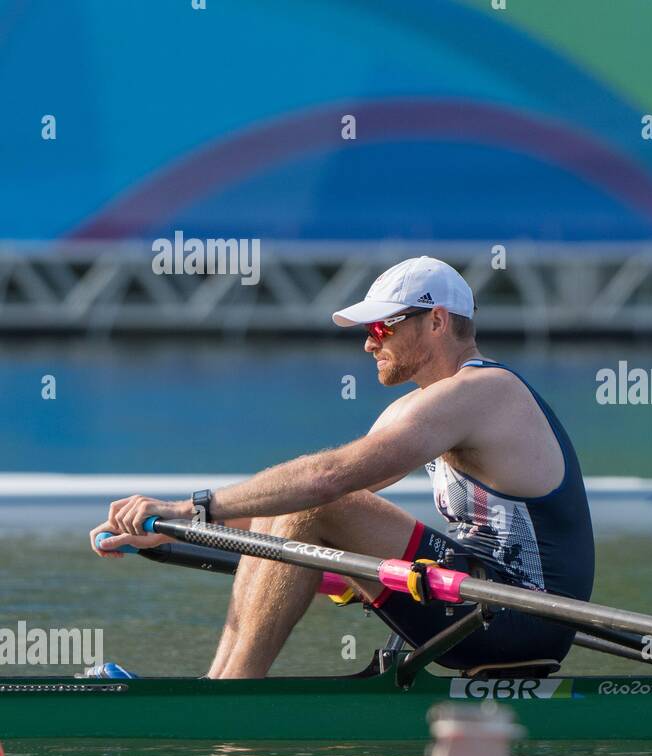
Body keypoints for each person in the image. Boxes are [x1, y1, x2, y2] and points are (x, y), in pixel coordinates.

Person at [91, 256, 595, 678]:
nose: (369, 343)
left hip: (525, 614)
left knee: (322, 495)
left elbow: (327, 482)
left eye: (381, 327)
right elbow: (294, 505)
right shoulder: (420, 408)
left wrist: (190, 506)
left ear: (437, 321)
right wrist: (185, 529)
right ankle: (220, 685)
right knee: (301, 502)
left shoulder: (487, 392)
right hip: (472, 600)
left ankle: (229, 699)